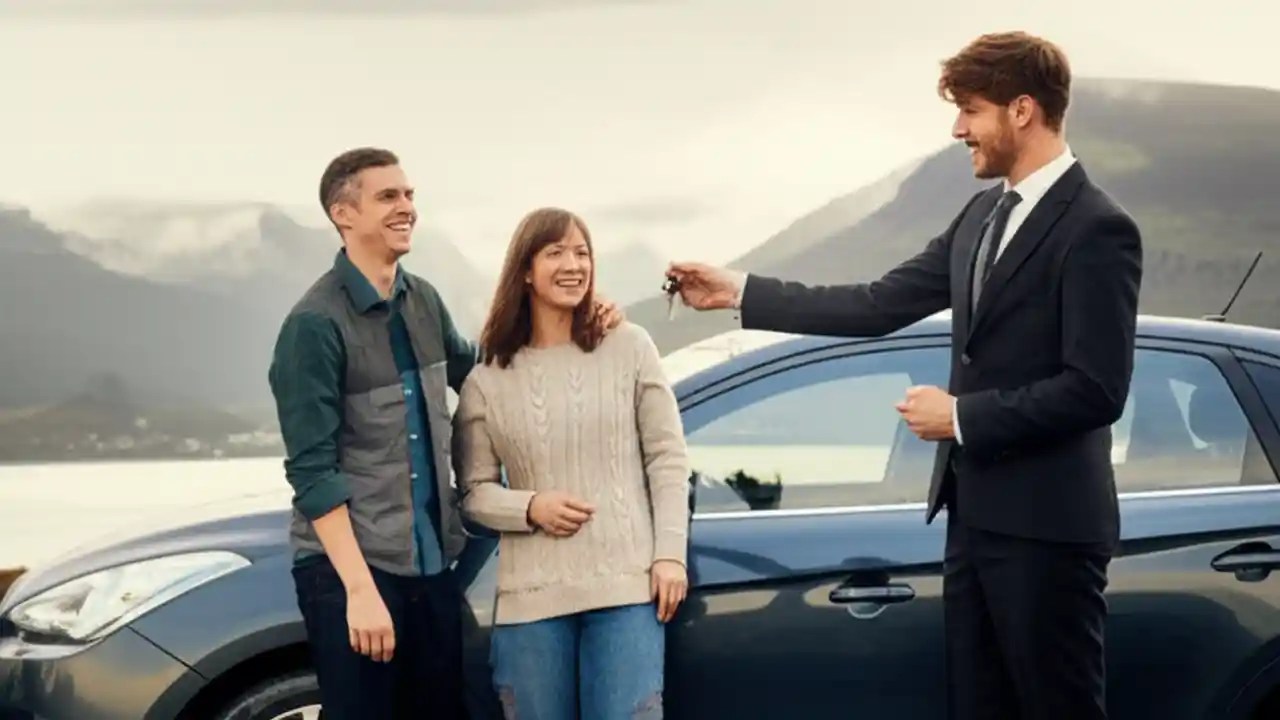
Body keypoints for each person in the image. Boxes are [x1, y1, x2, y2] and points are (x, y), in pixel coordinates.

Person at [666, 32, 1142, 720]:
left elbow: (1097, 388)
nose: (958, 130)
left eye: (971, 111)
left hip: (1049, 535)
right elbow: (877, 303)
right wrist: (739, 291)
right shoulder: (982, 216)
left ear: (1022, 110)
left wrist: (960, 418)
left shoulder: (1099, 228)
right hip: (972, 523)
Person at [268, 149, 621, 718]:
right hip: (354, 574)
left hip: (433, 569)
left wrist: (577, 315)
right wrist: (359, 592)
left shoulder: (423, 301)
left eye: (409, 195)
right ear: (343, 214)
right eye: (388, 197)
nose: (407, 207)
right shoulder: (314, 326)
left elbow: (487, 373)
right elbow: (312, 472)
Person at [453, 207, 690, 720]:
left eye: (582, 252)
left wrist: (669, 555)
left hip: (627, 592)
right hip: (530, 603)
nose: (573, 264)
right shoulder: (487, 381)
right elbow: (472, 493)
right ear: (525, 270)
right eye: (555, 252)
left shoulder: (629, 346)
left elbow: (668, 459)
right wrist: (531, 506)